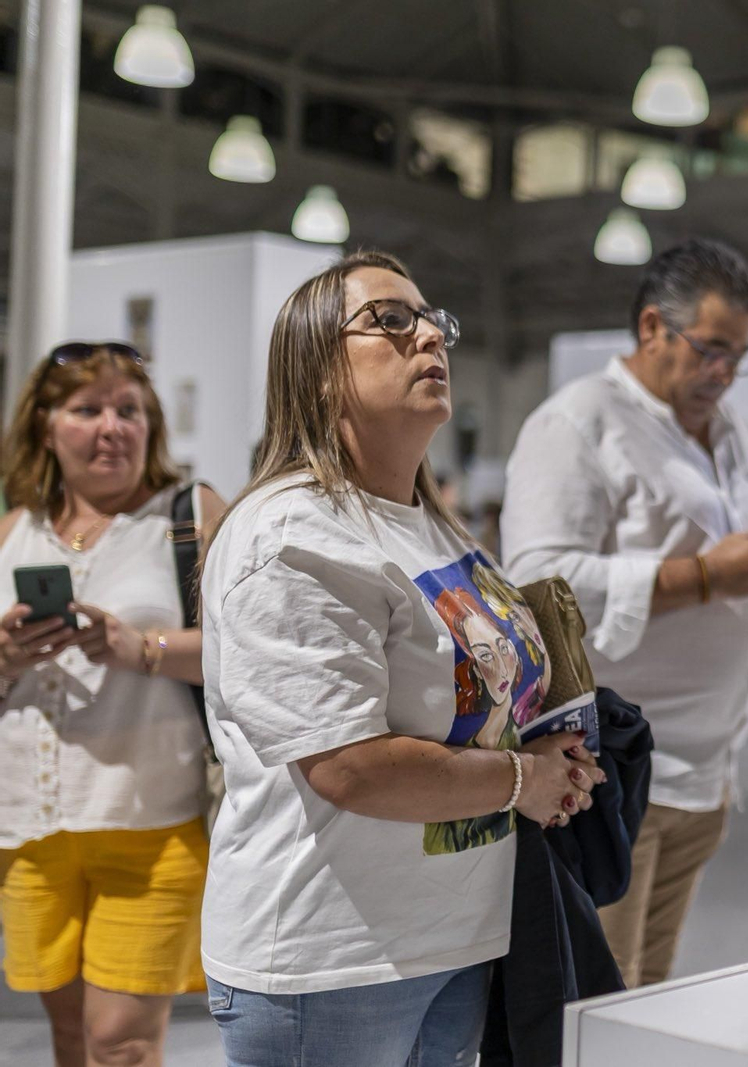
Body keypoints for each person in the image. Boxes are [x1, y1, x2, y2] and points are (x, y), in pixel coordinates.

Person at [199, 250, 601, 1066]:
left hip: (454, 937)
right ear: (314, 369)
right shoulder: (292, 537)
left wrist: (550, 747)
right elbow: (349, 767)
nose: (429, 337)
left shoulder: (428, 520)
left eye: (433, 320)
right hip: (332, 959)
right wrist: (524, 780)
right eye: (389, 320)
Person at [501, 238, 748, 989]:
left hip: (709, 769)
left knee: (653, 990)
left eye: (740, 356)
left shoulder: (734, 429)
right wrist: (709, 576)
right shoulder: (577, 424)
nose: (725, 373)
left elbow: (746, 549)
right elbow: (539, 586)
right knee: (600, 1001)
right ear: (652, 327)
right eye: (712, 349)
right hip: (614, 770)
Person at [0, 342, 225, 1067]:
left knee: (120, 1043)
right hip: (29, 831)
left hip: (151, 823)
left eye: (129, 410)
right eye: (87, 409)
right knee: (69, 1039)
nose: (112, 427)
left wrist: (143, 647)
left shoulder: (187, 517)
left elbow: (254, 651)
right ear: (44, 426)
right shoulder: (12, 529)